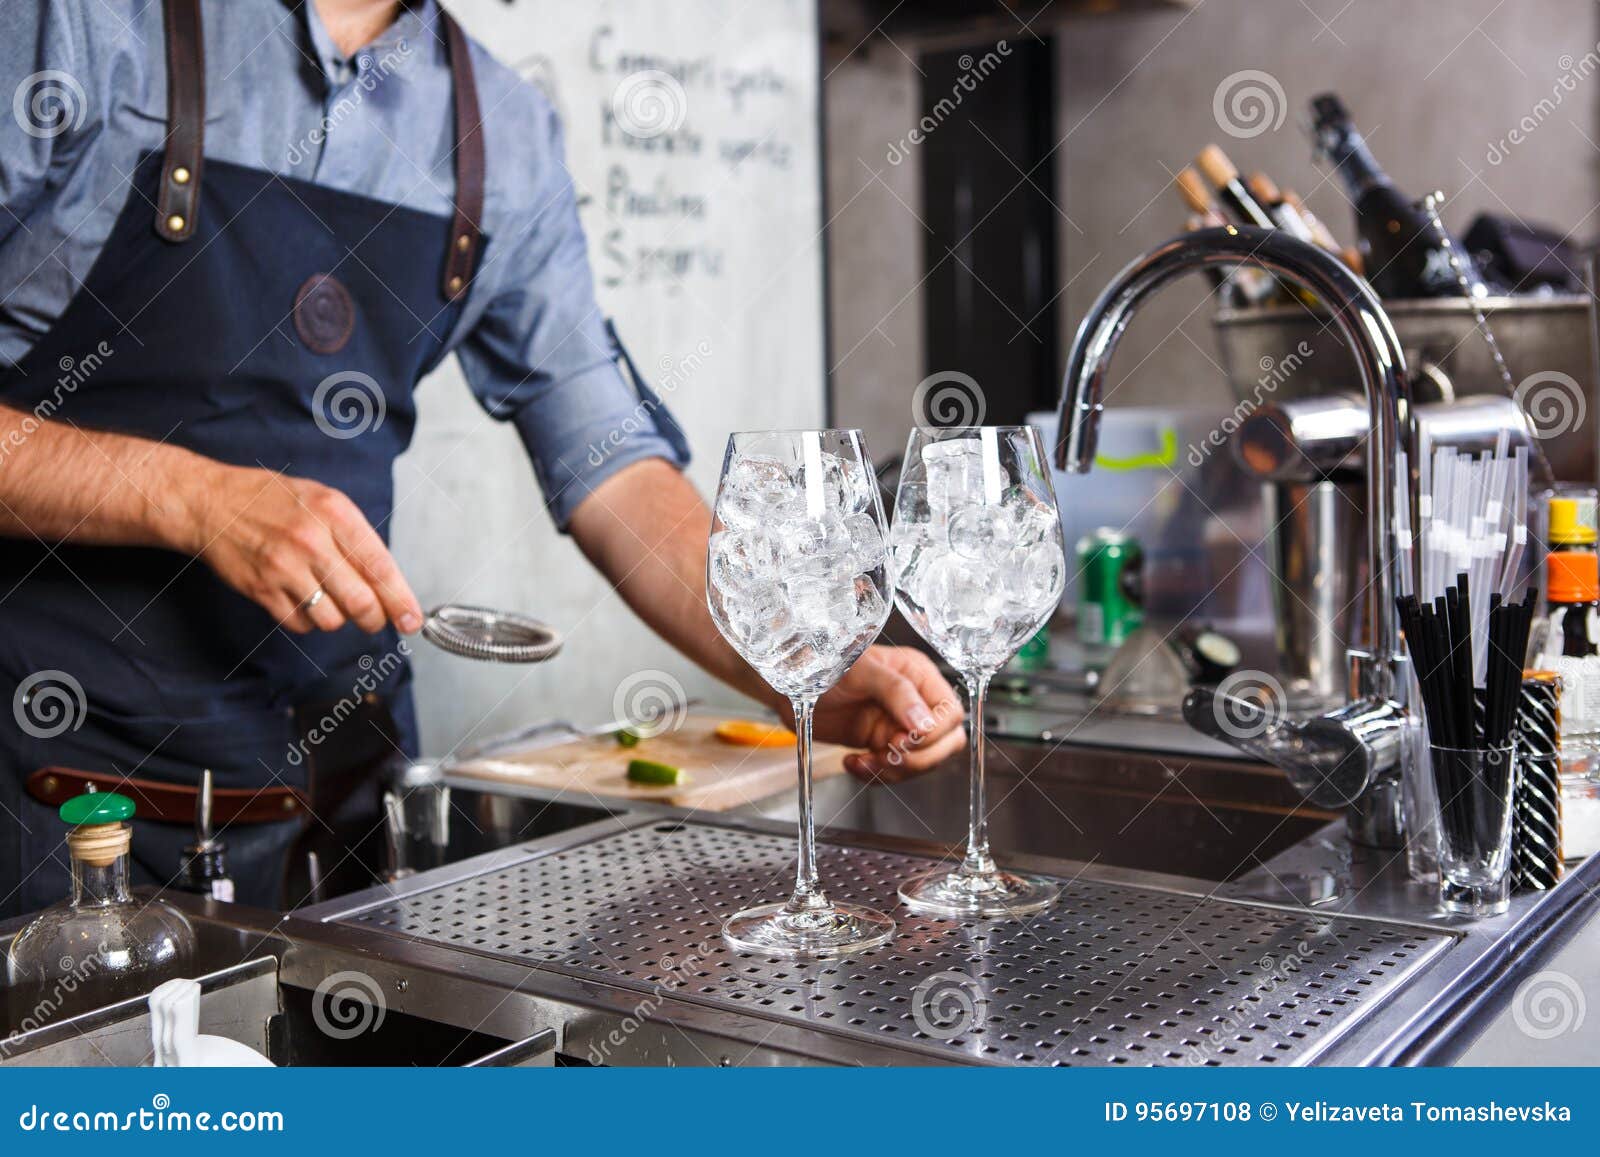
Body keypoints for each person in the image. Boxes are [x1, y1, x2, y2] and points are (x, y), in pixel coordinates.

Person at [0, 0, 961, 916]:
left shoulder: (502, 131)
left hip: (335, 805)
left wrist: (794, 659)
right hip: (48, 791)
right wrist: (193, 498)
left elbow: (615, 470)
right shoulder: (78, 24)